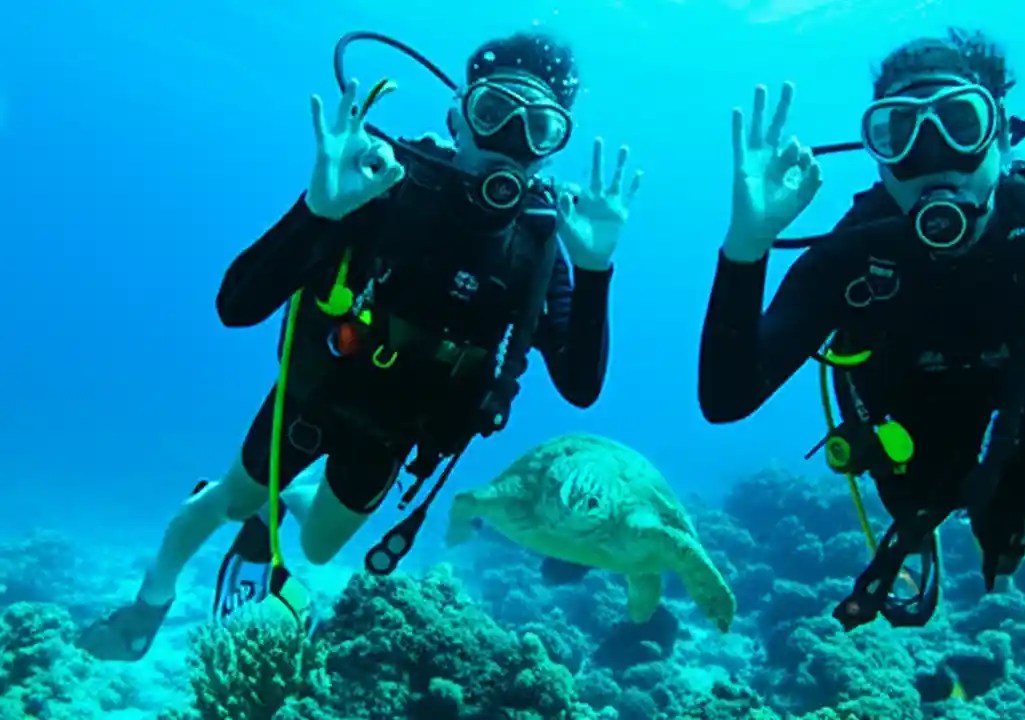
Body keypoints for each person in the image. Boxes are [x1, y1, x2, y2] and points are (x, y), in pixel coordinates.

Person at [79, 30, 641, 661]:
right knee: (228, 501)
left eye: (539, 128)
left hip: (397, 433)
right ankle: (148, 605)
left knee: (318, 549)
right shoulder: (382, 188)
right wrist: (316, 211)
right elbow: (235, 307)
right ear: (458, 118)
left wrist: (595, 272)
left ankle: (278, 510)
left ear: (550, 151)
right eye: (491, 114)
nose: (510, 142)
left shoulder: (539, 253)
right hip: (315, 395)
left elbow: (581, 387)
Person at [698, 28, 1025, 630]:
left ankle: (1011, 521)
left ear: (1002, 135)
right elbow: (726, 398)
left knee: (1015, 503)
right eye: (900, 132)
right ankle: (921, 529)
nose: (933, 157)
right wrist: (745, 250)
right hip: (909, 456)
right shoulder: (850, 259)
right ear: (877, 154)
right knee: (913, 498)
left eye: (960, 121)